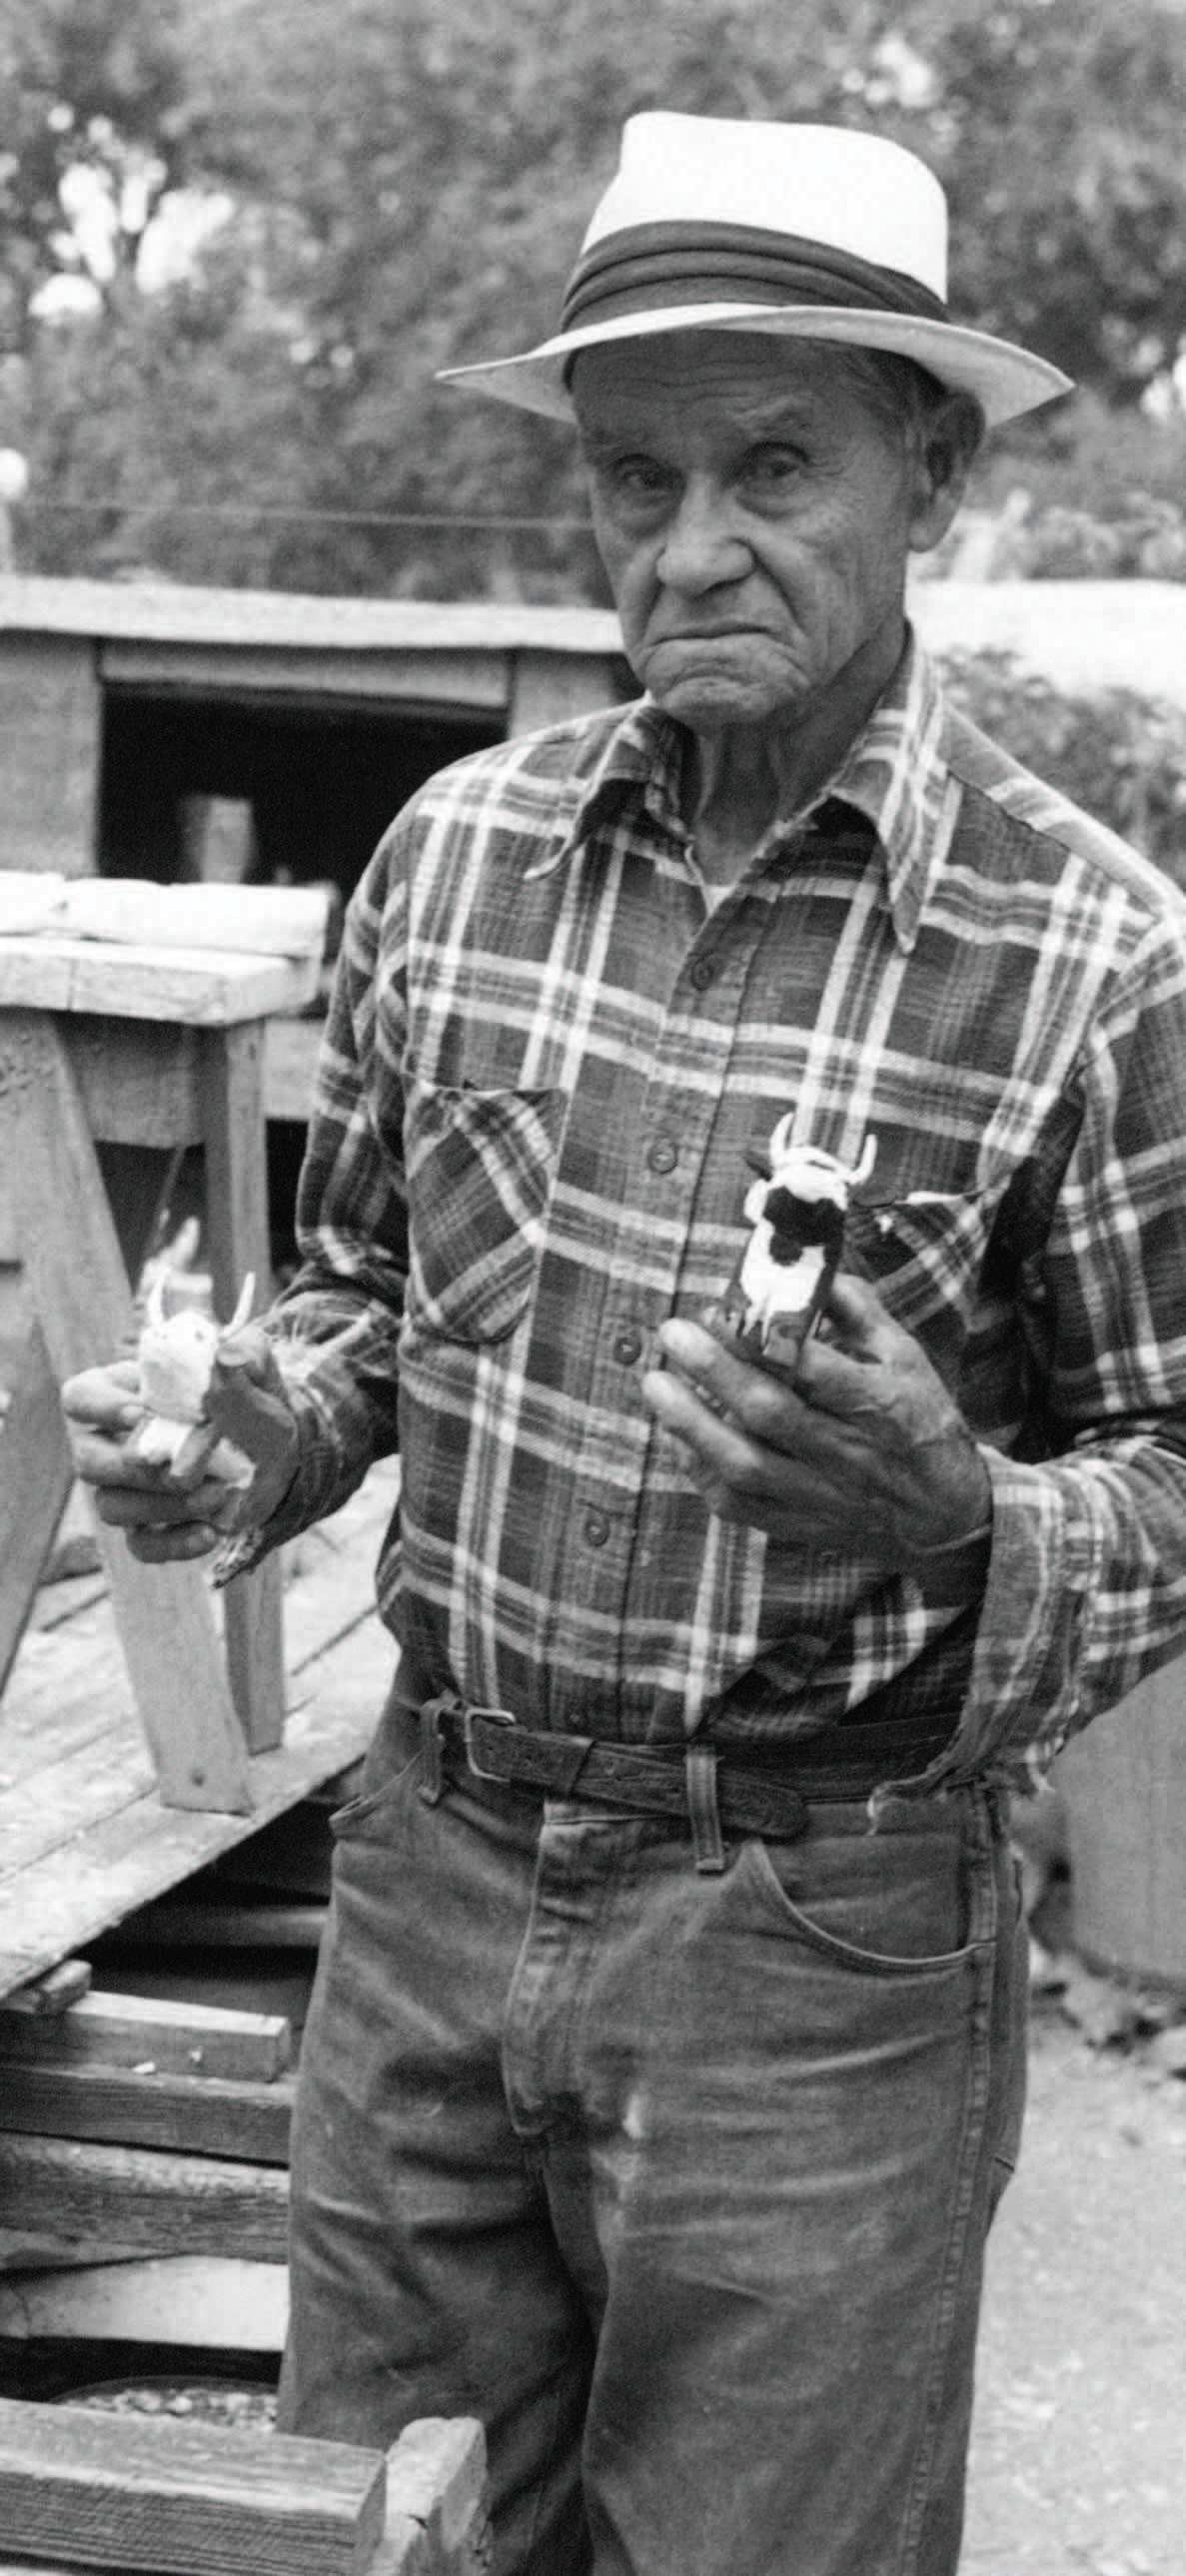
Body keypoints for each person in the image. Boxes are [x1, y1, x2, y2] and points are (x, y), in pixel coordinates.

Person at [62, 113, 1186, 2576]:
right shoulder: (456, 858)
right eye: (627, 478)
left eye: (767, 462)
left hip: (824, 1946)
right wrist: (240, 1429)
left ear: (934, 468)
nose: (685, 549)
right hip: (433, 1870)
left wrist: (960, 1516)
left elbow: (1166, 1456)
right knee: (365, 2538)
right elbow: (368, 1297)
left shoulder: (1091, 958)